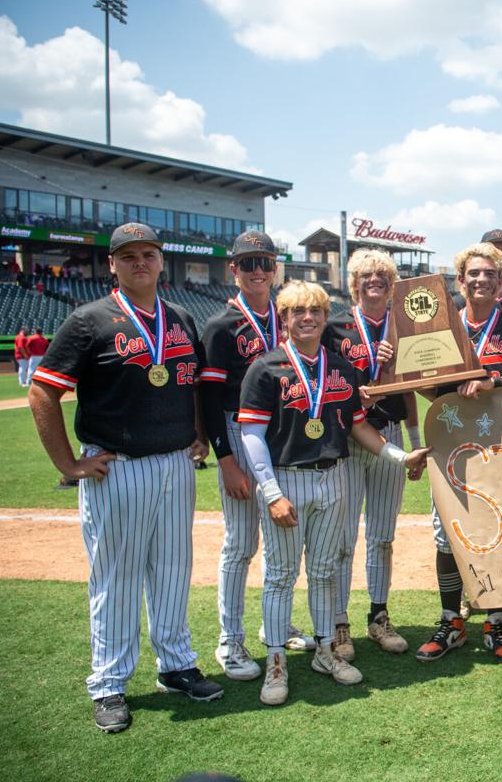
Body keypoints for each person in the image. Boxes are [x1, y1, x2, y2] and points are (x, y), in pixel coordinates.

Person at [28, 222, 222, 733]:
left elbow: (194, 385)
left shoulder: (180, 317)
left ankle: (176, 665)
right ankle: (109, 685)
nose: (141, 262)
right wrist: (68, 465)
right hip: (118, 467)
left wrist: (199, 433)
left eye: (149, 254)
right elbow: (43, 391)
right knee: (116, 578)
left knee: (173, 570)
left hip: (176, 463)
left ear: (161, 261)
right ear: (113, 264)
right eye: (129, 255)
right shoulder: (88, 320)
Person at [238, 281, 428, 706]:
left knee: (324, 569)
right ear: (283, 318)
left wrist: (401, 455)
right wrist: (270, 493)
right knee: (281, 575)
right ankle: (275, 660)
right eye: (297, 311)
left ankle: (325, 650)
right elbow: (251, 435)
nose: (307, 317)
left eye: (316, 311)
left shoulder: (341, 367)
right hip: (287, 479)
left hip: (335, 475)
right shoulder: (265, 367)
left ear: (326, 318)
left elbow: (359, 427)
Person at [415, 243, 502, 665]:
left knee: (498, 532)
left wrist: (495, 381)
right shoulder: (440, 328)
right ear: (460, 280)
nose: (482, 280)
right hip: (450, 444)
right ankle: (451, 621)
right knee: (447, 535)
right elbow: (421, 380)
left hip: (500, 445)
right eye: (474, 273)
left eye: (491, 274)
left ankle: (496, 622)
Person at [199, 230, 316, 682]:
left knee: (278, 541)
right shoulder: (222, 325)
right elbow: (208, 397)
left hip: (281, 432)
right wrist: (225, 459)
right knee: (241, 541)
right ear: (234, 270)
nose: (258, 271)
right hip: (236, 427)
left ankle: (277, 623)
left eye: (265, 262)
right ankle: (230, 639)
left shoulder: (285, 317)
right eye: (248, 263)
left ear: (275, 267)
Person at [323, 249, 420, 659]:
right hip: (347, 437)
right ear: (354, 283)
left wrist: (415, 441)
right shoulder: (335, 327)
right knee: (343, 537)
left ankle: (379, 615)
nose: (374, 279)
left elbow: (414, 388)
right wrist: (354, 387)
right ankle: (339, 622)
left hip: (391, 433)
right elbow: (323, 384)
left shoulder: (405, 325)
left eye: (382, 273)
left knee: (382, 535)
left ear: (392, 282)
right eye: (365, 274)